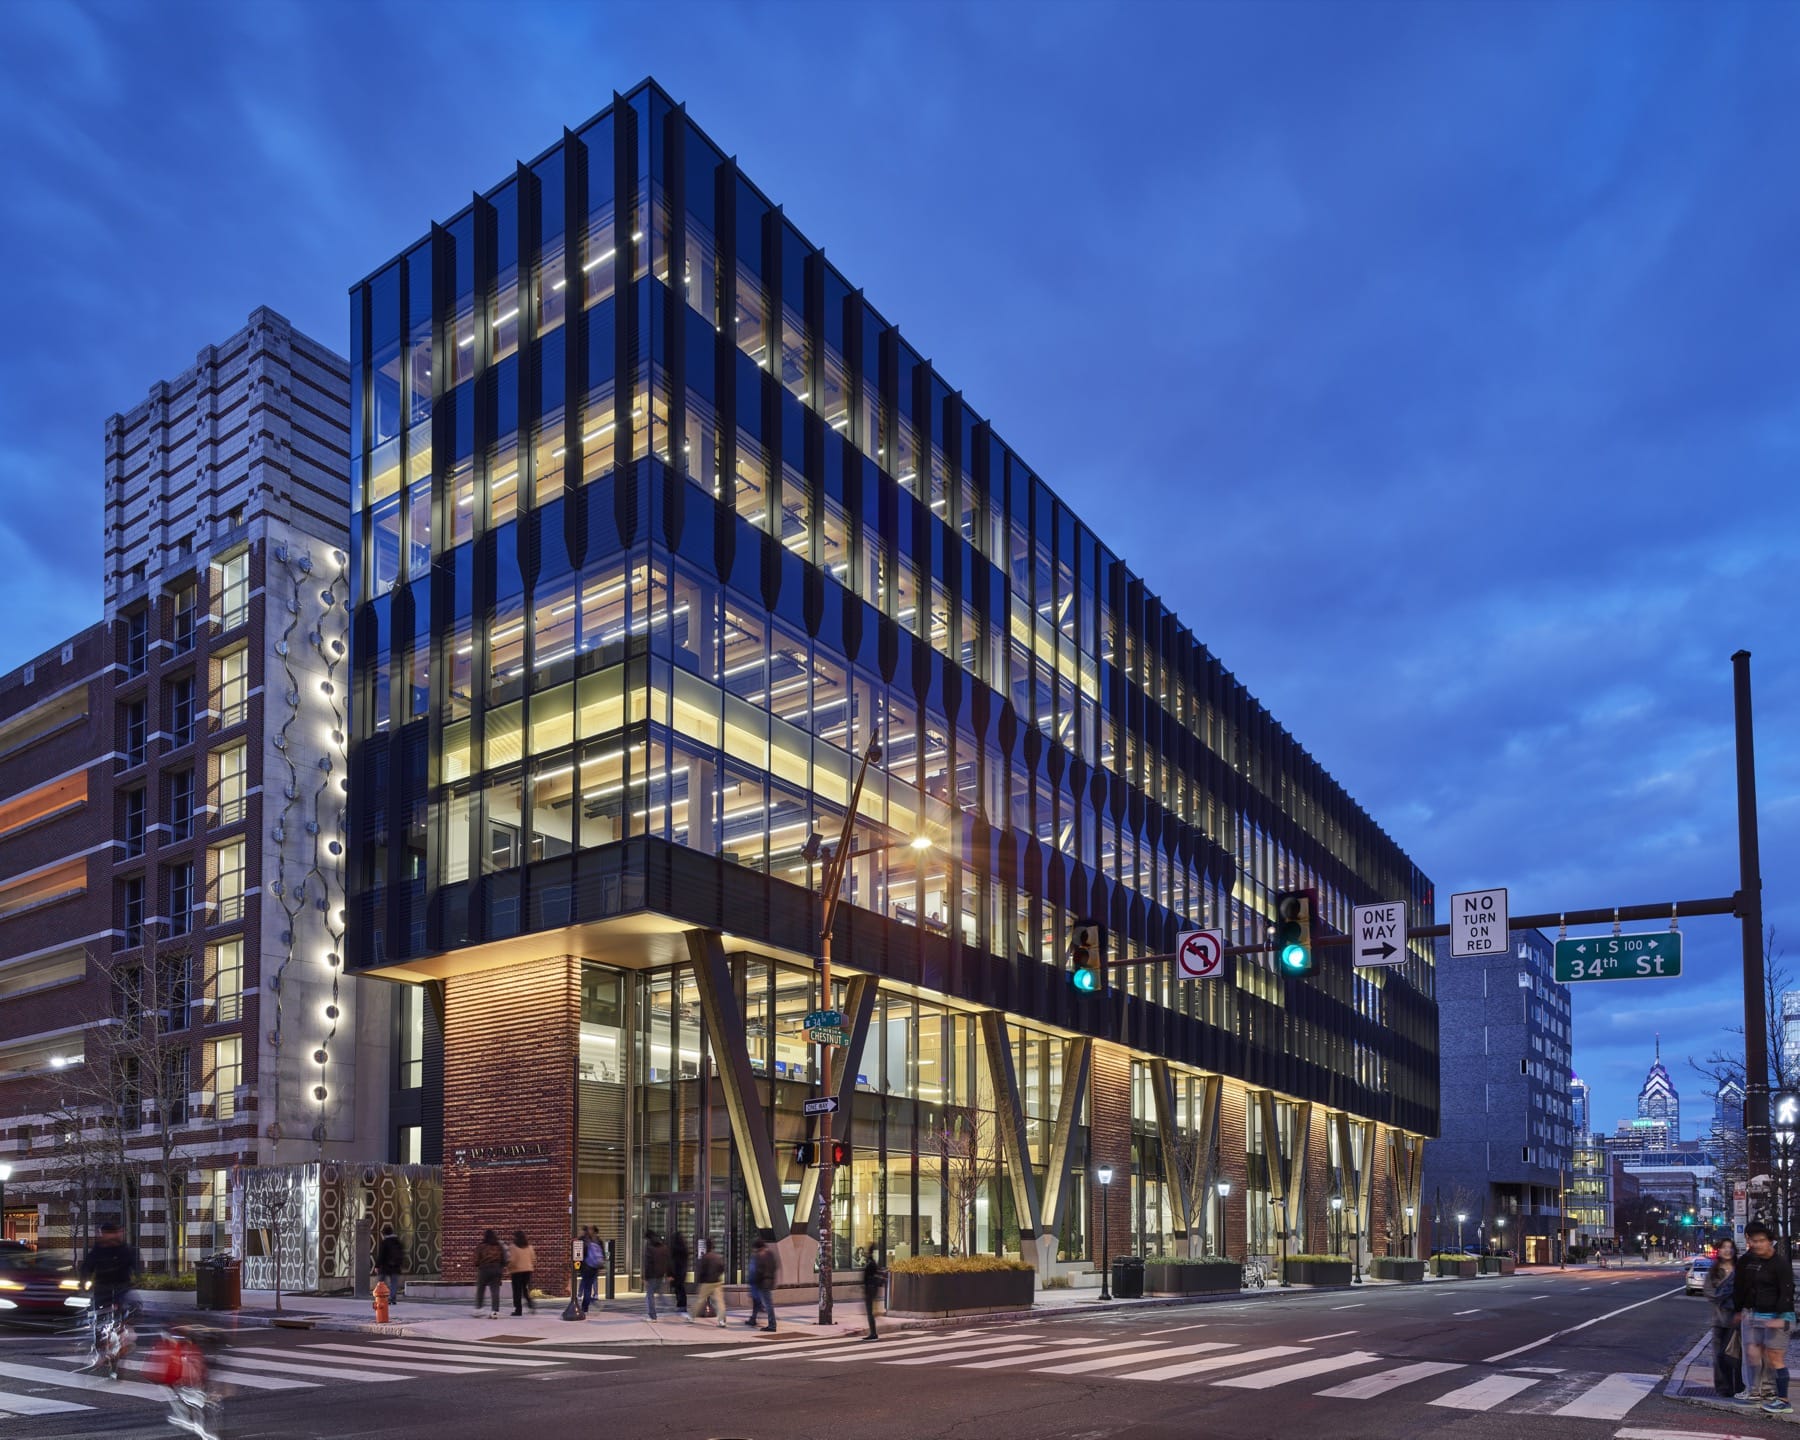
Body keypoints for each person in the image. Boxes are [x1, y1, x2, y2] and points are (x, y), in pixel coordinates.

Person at [1733, 1221, 1794, 1413]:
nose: (1758, 1245)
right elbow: (1743, 1286)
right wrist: (1740, 1309)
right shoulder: (1751, 1261)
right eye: (1754, 1241)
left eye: (1761, 1241)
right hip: (1757, 1314)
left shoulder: (1780, 1264)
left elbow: (1786, 1291)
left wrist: (1780, 1316)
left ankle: (1783, 1400)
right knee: (1753, 1354)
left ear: (1770, 1242)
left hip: (1779, 1317)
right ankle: (1758, 1391)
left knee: (1775, 1357)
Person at [1708, 1239, 1743, 1398]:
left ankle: (1739, 1387)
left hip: (1738, 1319)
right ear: (1719, 1251)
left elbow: (1745, 1291)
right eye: (1724, 1247)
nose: (1727, 1250)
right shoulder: (1714, 1271)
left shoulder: (1740, 1270)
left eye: (1730, 1247)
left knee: (1737, 1356)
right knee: (1719, 1356)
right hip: (1719, 1320)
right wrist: (1727, 1295)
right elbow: (1710, 1293)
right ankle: (1723, 1388)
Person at [80, 1221, 140, 1313]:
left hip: (121, 1287)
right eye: (106, 1233)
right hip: (102, 1287)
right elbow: (87, 1266)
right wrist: (84, 1281)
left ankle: (127, 1322)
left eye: (110, 1233)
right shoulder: (98, 1250)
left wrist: (136, 1278)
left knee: (133, 1307)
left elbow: (133, 1264)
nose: (109, 1236)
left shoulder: (123, 1249)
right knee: (96, 1310)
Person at [691, 1237, 727, 1327]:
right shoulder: (717, 1257)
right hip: (717, 1282)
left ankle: (692, 1316)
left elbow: (701, 1270)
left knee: (700, 1300)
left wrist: (699, 1281)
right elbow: (722, 1268)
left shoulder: (705, 1257)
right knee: (719, 1302)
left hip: (707, 1282)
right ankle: (721, 1320)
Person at [744, 1237, 778, 1333]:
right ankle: (753, 1319)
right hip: (768, 1282)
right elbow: (774, 1267)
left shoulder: (759, 1256)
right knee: (757, 1302)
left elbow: (757, 1271)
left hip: (761, 1283)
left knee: (768, 1305)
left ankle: (772, 1325)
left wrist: (754, 1282)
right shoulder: (770, 1254)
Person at [473, 1229, 506, 1319]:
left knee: (481, 1289)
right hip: (496, 1269)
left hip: (484, 1269)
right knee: (495, 1291)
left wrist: (478, 1264)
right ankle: (495, 1311)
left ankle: (478, 1310)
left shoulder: (481, 1246)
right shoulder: (499, 1246)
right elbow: (504, 1259)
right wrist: (500, 1266)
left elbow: (476, 1260)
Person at [374, 1224, 406, 1307]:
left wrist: (377, 1266)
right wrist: (400, 1264)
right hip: (395, 1266)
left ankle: (381, 1297)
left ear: (384, 1233)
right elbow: (402, 1254)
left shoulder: (385, 1242)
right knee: (394, 1283)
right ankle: (393, 1298)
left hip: (385, 1266)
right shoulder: (397, 1242)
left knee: (381, 1282)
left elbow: (381, 1255)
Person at [508, 1230, 538, 1316]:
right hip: (528, 1271)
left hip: (517, 1271)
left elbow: (512, 1260)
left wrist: (509, 1267)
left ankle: (518, 1310)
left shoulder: (513, 1247)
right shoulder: (529, 1247)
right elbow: (534, 1259)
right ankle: (530, 1305)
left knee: (517, 1291)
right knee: (525, 1289)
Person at [643, 1231, 669, 1322]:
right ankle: (668, 1306)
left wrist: (645, 1278)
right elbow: (667, 1261)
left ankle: (652, 1316)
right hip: (660, 1274)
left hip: (651, 1275)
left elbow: (648, 1264)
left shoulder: (650, 1248)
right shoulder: (664, 1247)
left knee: (649, 1295)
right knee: (659, 1292)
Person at [577, 1227, 603, 1316]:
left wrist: (578, 1267)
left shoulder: (584, 1241)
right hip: (595, 1267)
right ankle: (590, 1301)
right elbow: (602, 1255)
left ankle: (586, 1306)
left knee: (586, 1287)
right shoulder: (598, 1241)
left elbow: (579, 1255)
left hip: (586, 1267)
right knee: (588, 1285)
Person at [861, 1249, 885, 1341]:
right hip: (871, 1290)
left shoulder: (871, 1264)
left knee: (870, 1313)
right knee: (870, 1312)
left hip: (870, 1290)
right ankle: (873, 1332)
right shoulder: (872, 1263)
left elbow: (868, 1278)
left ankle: (873, 1333)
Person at [668, 1231, 690, 1318]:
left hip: (676, 1272)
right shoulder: (684, 1248)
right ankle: (682, 1305)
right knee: (681, 1289)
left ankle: (680, 1305)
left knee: (678, 1289)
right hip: (682, 1271)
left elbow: (671, 1262)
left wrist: (670, 1273)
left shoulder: (674, 1249)